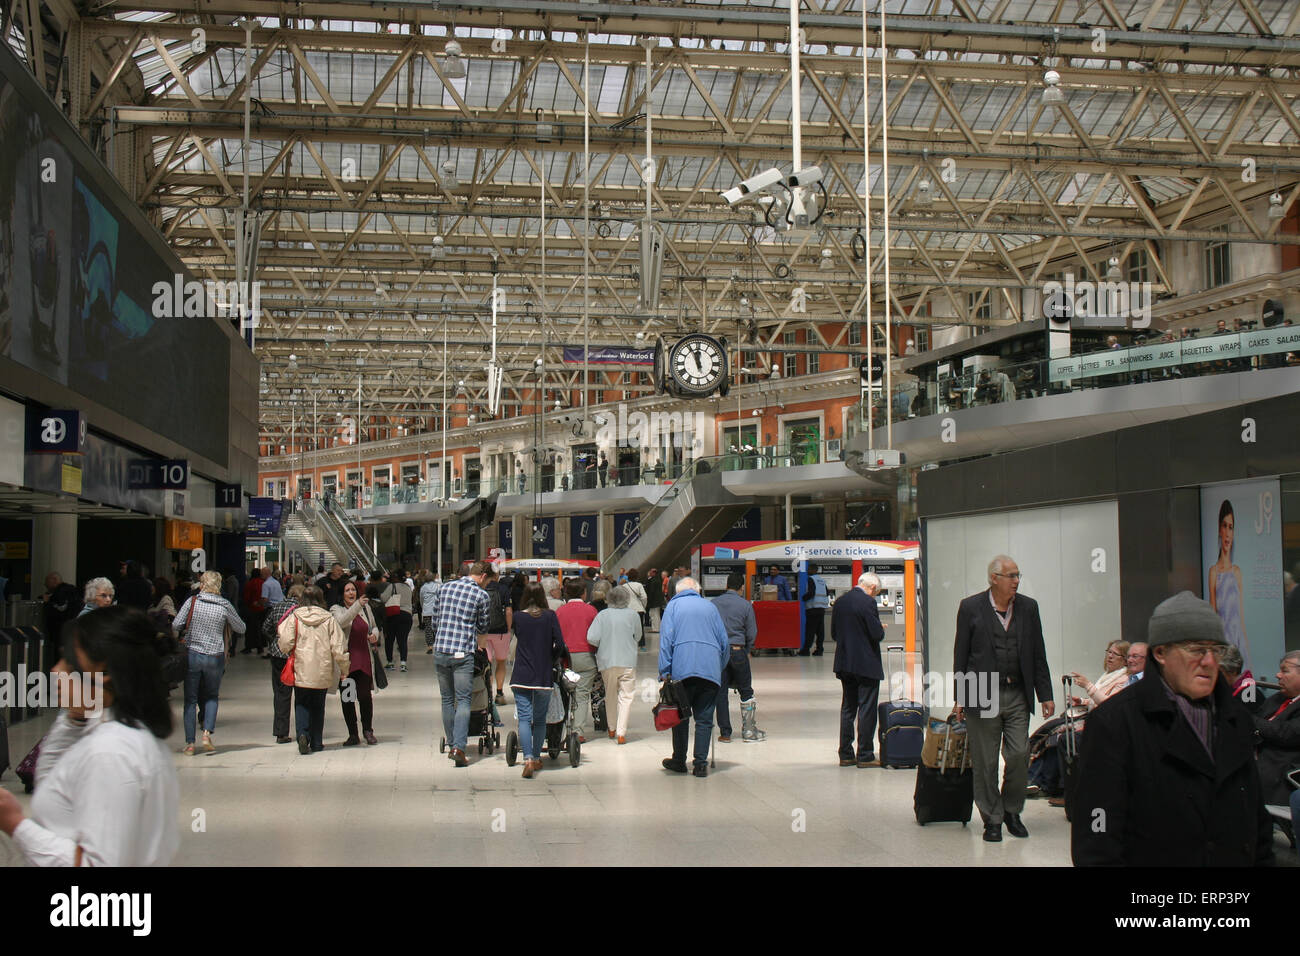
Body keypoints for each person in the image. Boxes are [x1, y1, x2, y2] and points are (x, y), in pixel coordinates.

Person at [1071, 592, 1274, 866]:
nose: (1209, 661)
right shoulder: (1116, 723)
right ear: (1161, 653)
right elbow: (1097, 842)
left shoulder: (1236, 718)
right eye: (1196, 649)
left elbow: (1256, 822)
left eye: (1216, 650)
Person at [0, 606, 180, 865]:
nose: (56, 671)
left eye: (70, 662)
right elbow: (51, 779)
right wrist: (75, 718)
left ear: (104, 672)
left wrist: (16, 825)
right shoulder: (117, 732)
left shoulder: (110, 752)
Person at [953, 555, 1054, 842]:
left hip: (1017, 693)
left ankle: (1012, 810)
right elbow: (961, 653)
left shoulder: (1028, 608)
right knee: (985, 762)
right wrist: (960, 696)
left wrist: (1044, 694)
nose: (1016, 581)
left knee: (1020, 754)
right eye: (1011, 576)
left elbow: (1038, 653)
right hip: (981, 691)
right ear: (994, 578)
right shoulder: (971, 607)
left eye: (1018, 575)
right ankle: (992, 818)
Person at [658, 577, 729, 778]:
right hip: (710, 670)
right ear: (697, 590)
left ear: (678, 591)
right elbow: (724, 642)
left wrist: (664, 671)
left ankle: (679, 760)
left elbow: (666, 641)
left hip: (682, 670)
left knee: (680, 716)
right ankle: (700, 764)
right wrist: (718, 667)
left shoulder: (673, 606)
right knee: (705, 719)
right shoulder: (710, 607)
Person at [173, 570, 245, 756]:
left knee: (190, 700)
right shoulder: (224, 605)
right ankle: (207, 733)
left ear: (202, 584)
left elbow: (176, 624)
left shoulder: (193, 601)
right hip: (215, 655)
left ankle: (190, 744)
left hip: (194, 654)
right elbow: (241, 627)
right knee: (212, 696)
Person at [429, 560, 492, 767]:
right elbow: (482, 626)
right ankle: (459, 747)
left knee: (447, 699)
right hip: (462, 652)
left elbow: (435, 620)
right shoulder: (481, 595)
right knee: (464, 700)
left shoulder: (444, 588)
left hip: (440, 650)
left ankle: (451, 743)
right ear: (482, 577)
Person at [278, 586, 350, 754]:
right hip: (322, 669)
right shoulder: (329, 619)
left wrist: (287, 650)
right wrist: (344, 668)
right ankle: (317, 742)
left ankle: (302, 734)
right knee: (318, 706)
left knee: (301, 703)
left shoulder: (295, 617)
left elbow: (285, 641)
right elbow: (339, 647)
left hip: (301, 667)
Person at [510, 582, 568, 778]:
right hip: (543, 675)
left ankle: (526, 758)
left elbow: (518, 637)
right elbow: (559, 643)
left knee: (524, 718)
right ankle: (535, 757)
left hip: (521, 674)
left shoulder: (518, 617)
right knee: (540, 719)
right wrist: (550, 658)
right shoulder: (550, 616)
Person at [832, 572, 885, 766]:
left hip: (845, 662)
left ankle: (845, 754)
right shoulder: (868, 603)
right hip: (866, 663)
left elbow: (834, 633)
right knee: (867, 708)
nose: (874, 596)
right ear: (872, 588)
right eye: (876, 592)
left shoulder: (840, 602)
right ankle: (865, 755)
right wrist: (881, 627)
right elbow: (876, 633)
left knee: (848, 708)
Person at [712, 571, 765, 744]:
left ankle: (725, 733)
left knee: (720, 693)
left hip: (719, 653)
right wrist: (747, 648)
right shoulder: (745, 605)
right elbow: (752, 632)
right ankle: (749, 731)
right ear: (741, 587)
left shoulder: (714, 604)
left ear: (726, 585)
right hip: (738, 650)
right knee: (746, 690)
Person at [587, 585, 642, 744]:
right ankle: (621, 732)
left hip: (607, 660)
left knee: (610, 695)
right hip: (628, 661)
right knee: (626, 697)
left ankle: (611, 728)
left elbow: (592, 637)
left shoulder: (602, 615)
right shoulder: (633, 615)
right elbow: (638, 636)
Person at [332, 581, 381, 746]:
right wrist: (357, 606)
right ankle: (352, 734)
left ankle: (368, 730)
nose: (351, 592)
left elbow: (374, 627)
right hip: (346, 662)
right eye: (347, 590)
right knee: (348, 698)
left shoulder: (366, 608)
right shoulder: (336, 609)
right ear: (342, 594)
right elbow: (341, 622)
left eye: (353, 589)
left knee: (365, 697)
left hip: (364, 658)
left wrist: (375, 635)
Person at [1252, 650, 1300, 807]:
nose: (1278, 675)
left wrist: (1255, 725)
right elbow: (1257, 722)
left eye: (1285, 670)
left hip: (1282, 773)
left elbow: (1286, 733)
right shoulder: (1277, 698)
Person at [556, 579, 599, 744]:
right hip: (586, 655)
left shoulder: (560, 611)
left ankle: (560, 730)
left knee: (563, 693)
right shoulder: (591, 610)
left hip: (564, 657)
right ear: (584, 593)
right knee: (582, 695)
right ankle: (577, 732)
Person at [263, 582, 303, 743]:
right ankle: (303, 730)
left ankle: (281, 732)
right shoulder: (301, 611)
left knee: (281, 694)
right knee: (301, 692)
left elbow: (266, 627)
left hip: (278, 654)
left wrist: (275, 640)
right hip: (297, 654)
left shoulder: (277, 607)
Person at [1208, 500, 1248, 661]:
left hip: (1238, 641)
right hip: (1223, 643)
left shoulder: (1237, 572)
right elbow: (1213, 613)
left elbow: (1240, 617)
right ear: (1219, 529)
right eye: (1224, 526)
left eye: (1231, 527)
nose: (1227, 532)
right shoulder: (1213, 572)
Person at [479, 568, 512, 704]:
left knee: (486, 662)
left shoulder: (480, 588)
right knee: (501, 662)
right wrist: (508, 628)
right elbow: (508, 611)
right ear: (496, 575)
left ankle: (487, 694)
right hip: (500, 631)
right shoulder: (503, 589)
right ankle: (499, 693)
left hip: (483, 631)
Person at [1065, 640, 1130, 711]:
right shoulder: (1107, 675)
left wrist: (1087, 685)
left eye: (1115, 654)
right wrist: (1081, 701)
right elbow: (1096, 701)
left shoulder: (1125, 680)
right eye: (1109, 652)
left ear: (1125, 659)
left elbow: (1109, 704)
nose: (1110, 656)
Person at [40, 571, 81, 671]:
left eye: (47, 582)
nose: (45, 585)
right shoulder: (73, 591)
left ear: (54, 580)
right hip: (72, 629)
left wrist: (47, 603)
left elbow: (59, 611)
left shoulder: (61, 593)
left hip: (61, 631)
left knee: (61, 658)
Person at [380, 568, 414, 672]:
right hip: (407, 616)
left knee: (390, 639)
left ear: (396, 577)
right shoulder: (408, 587)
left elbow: (383, 598)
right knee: (402, 640)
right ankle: (403, 663)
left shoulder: (392, 586)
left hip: (394, 615)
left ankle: (390, 662)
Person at [801, 570, 829, 656]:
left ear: (811, 570)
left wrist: (803, 598)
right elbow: (827, 592)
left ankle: (806, 650)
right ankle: (819, 650)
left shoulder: (810, 579)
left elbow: (811, 593)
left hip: (812, 608)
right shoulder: (821, 580)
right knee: (820, 631)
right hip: (821, 608)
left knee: (810, 630)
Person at [625, 568, 649, 649]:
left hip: (627, 609)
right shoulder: (639, 585)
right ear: (637, 576)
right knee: (640, 627)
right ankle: (641, 645)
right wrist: (643, 606)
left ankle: (629, 644)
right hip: (638, 609)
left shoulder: (624, 586)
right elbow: (644, 597)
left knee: (628, 627)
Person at [419, 570, 441, 655]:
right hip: (437, 611)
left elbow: (421, 599)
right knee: (438, 628)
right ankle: (438, 645)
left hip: (427, 611)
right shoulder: (438, 586)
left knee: (428, 629)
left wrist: (423, 607)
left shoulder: (423, 587)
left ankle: (430, 647)